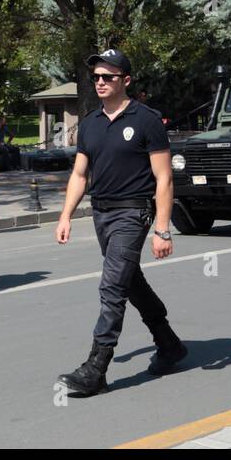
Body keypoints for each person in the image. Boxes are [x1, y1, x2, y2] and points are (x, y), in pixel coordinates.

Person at [55, 49, 184, 396]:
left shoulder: (146, 120)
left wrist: (162, 228)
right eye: (96, 77)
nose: (99, 82)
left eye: (107, 77)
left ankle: (96, 367)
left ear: (125, 81)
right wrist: (65, 215)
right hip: (102, 213)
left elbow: (164, 179)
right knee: (129, 280)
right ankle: (168, 343)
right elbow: (80, 174)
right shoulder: (91, 123)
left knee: (112, 286)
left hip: (133, 212)